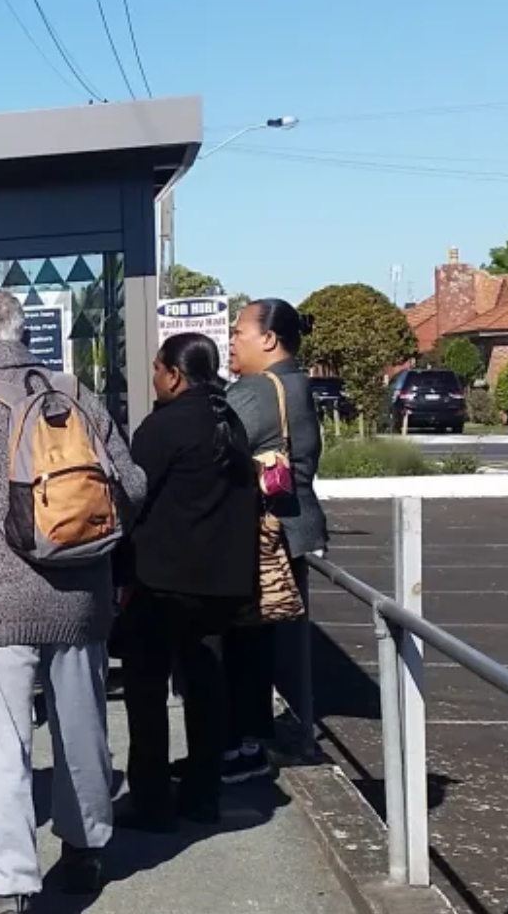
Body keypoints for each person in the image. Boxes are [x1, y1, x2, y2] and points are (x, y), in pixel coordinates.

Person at [0, 288, 144, 911]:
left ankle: (10, 887)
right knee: (83, 732)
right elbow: (134, 483)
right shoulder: (73, 392)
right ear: (24, 334)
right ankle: (85, 851)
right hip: (81, 599)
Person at [116, 333, 258, 831]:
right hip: (220, 584)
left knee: (147, 694)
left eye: (157, 368)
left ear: (174, 374)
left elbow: (130, 502)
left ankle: (151, 799)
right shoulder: (230, 423)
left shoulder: (162, 427)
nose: (154, 377)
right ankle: (202, 793)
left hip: (160, 584)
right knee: (206, 690)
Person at [225, 298, 329, 772]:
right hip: (295, 523)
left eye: (238, 332)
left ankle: (247, 745)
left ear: (268, 339)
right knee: (273, 645)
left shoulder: (258, 392)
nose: (230, 341)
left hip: (261, 533)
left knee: (245, 644)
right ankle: (264, 734)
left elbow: (211, 444)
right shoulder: (296, 382)